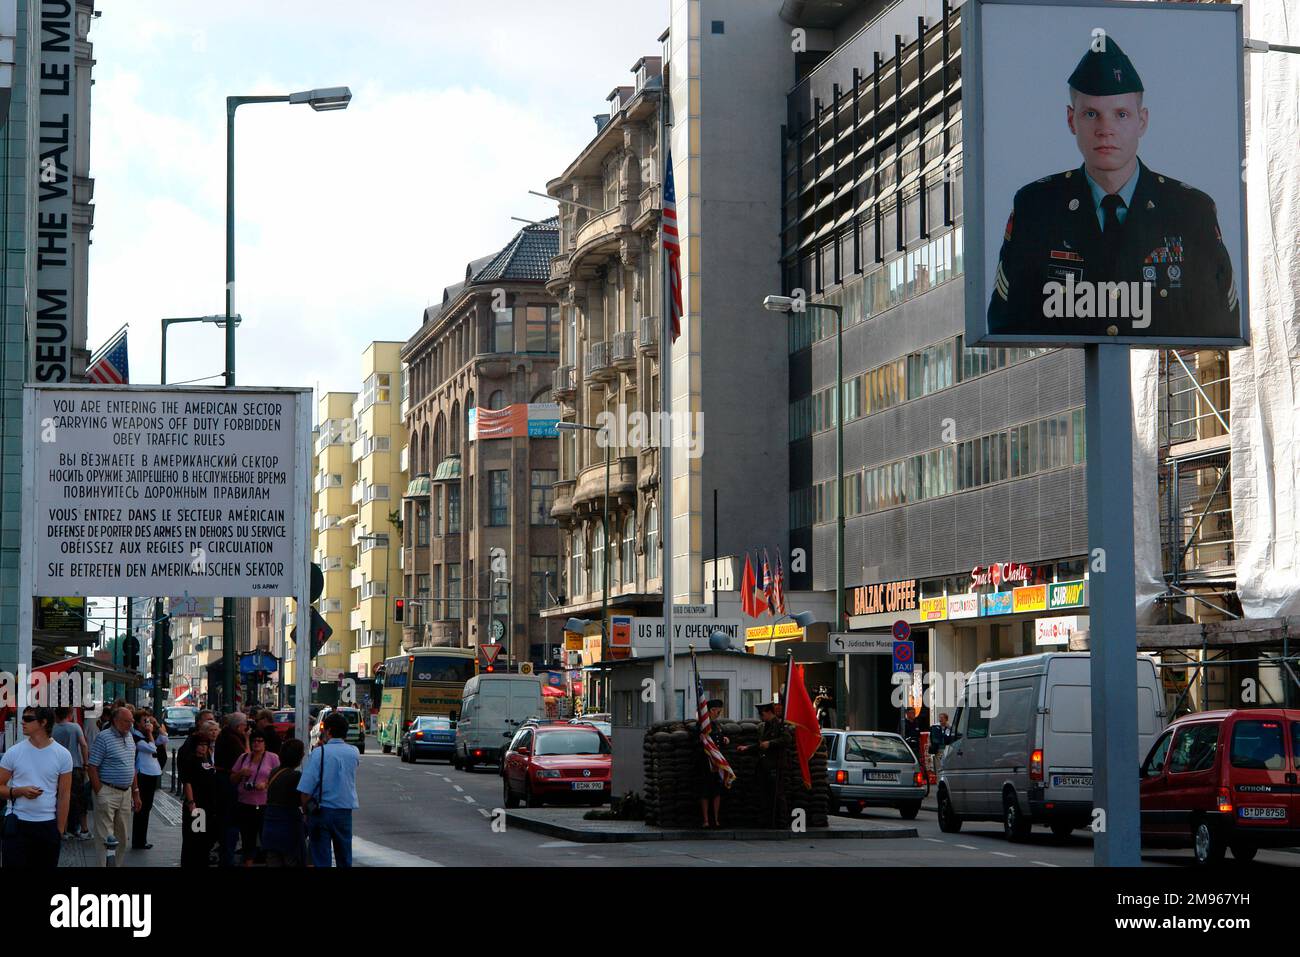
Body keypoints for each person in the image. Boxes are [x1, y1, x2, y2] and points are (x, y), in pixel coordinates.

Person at [987, 36, 1238, 340]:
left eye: (1121, 114)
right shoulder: (1036, 207)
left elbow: (1221, 322)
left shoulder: (1189, 210)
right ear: (1071, 120)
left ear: (1141, 121)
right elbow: (1006, 322)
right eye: (1091, 114)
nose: (1105, 129)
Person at [0, 707, 73, 868]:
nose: (22, 722)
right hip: (17, 825)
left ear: (43, 722)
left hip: (47, 827)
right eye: (23, 718)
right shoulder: (13, 752)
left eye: (28, 719)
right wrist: (19, 791)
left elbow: (64, 795)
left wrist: (59, 830)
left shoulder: (62, 755)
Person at [297, 712, 359, 867]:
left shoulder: (319, 753)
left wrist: (306, 812)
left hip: (322, 811)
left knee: (321, 857)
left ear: (329, 731)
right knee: (344, 857)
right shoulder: (354, 752)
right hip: (344, 811)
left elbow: (305, 790)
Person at [86, 705, 141, 867]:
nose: (130, 724)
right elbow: (92, 767)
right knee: (105, 836)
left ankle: (116, 865)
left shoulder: (130, 737)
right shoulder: (104, 738)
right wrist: (100, 792)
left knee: (122, 836)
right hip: (107, 790)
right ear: (115, 721)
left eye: (131, 721)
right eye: (126, 721)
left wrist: (135, 792)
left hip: (125, 793)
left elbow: (132, 767)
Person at [737, 700, 792, 828]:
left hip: (776, 765)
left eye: (762, 714)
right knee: (764, 794)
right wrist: (747, 748)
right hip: (764, 765)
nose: (761, 717)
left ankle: (781, 822)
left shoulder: (779, 725)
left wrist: (771, 743)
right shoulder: (763, 726)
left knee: (778, 795)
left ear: (768, 712)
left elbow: (787, 739)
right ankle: (766, 820)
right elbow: (761, 745)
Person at [231, 730, 279, 866]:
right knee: (247, 839)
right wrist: (241, 773)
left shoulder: (272, 757)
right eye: (254, 741)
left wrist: (265, 784)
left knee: (267, 839)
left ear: (265, 743)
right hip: (245, 804)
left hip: (264, 804)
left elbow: (278, 777)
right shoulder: (243, 757)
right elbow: (232, 779)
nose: (256, 743)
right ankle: (248, 863)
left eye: (260, 741)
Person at [261, 738, 306, 867]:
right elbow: (302, 799)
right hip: (289, 825)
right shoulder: (295, 776)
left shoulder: (274, 771)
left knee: (273, 860)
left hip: (270, 824)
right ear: (299, 756)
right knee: (292, 860)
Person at [213, 712, 249, 867]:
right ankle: (227, 857)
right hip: (228, 782)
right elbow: (245, 757)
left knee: (226, 820)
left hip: (223, 782)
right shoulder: (233, 739)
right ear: (239, 726)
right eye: (244, 725)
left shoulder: (226, 736)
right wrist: (247, 739)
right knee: (230, 820)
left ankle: (225, 854)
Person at [178, 737, 219, 868]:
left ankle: (201, 860)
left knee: (204, 836)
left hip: (208, 804)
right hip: (198, 805)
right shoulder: (191, 761)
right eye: (200, 744)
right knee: (196, 836)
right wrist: (191, 802)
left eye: (205, 745)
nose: (203, 747)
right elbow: (187, 782)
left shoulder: (206, 759)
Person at [52, 708, 91, 840]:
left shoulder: (53, 729)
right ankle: (84, 829)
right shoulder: (75, 727)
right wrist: (86, 764)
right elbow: (84, 745)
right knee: (79, 799)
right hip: (75, 767)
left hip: (57, 768)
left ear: (56, 715)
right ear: (70, 714)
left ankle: (62, 830)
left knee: (61, 798)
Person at [131, 711, 166, 850]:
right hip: (143, 774)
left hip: (151, 774)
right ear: (137, 723)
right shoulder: (137, 738)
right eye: (145, 721)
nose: (147, 724)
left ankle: (141, 839)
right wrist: (150, 733)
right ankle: (138, 841)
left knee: (147, 808)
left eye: (148, 721)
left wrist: (156, 725)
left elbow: (164, 739)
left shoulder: (146, 736)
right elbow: (152, 748)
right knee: (142, 809)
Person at [696, 699, 729, 829]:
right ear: (710, 710)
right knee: (704, 791)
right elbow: (698, 741)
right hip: (705, 762)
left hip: (716, 763)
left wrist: (724, 739)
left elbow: (718, 739)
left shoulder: (716, 725)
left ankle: (715, 819)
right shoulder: (702, 725)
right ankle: (705, 820)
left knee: (716, 791)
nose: (719, 713)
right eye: (717, 711)